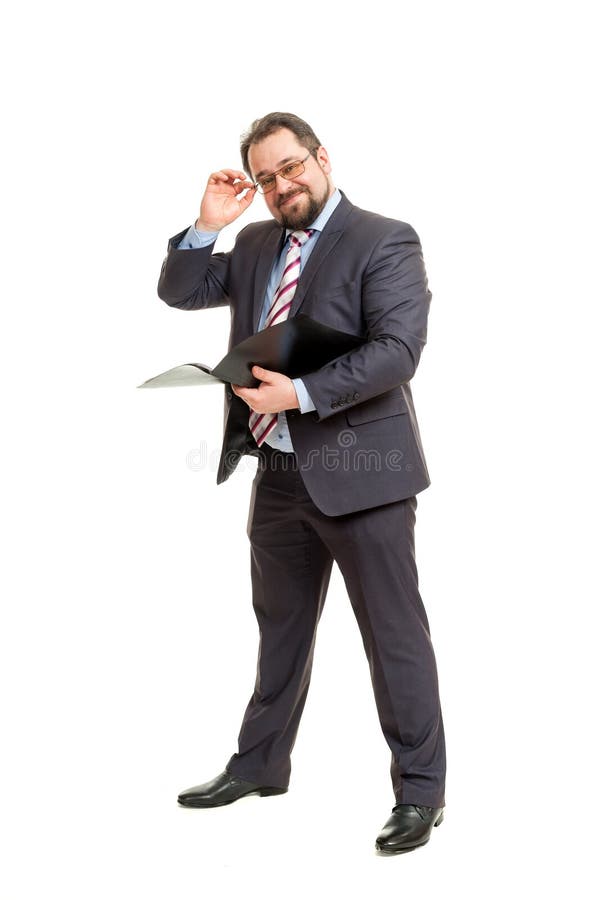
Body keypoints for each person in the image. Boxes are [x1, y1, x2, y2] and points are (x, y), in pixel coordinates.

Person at [157, 112, 446, 854]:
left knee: (392, 636)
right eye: (266, 178)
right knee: (279, 629)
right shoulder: (254, 242)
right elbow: (181, 292)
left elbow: (396, 351)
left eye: (291, 168)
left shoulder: (384, 238)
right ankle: (259, 765)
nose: (282, 186)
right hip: (279, 473)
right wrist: (205, 224)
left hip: (364, 475)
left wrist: (300, 395)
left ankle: (420, 794)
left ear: (321, 157)